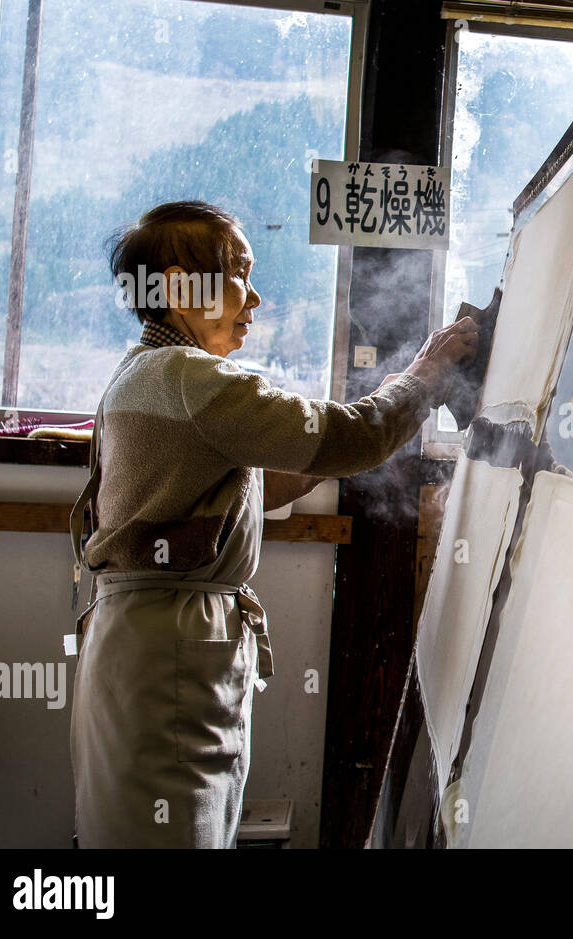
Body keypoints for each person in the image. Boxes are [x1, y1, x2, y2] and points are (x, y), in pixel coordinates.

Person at [68, 201, 477, 847]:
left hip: (149, 640)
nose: (255, 298)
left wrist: (324, 458)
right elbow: (354, 435)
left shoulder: (143, 373)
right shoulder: (189, 378)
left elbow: (245, 484)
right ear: (178, 288)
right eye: (239, 273)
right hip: (166, 647)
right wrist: (425, 373)